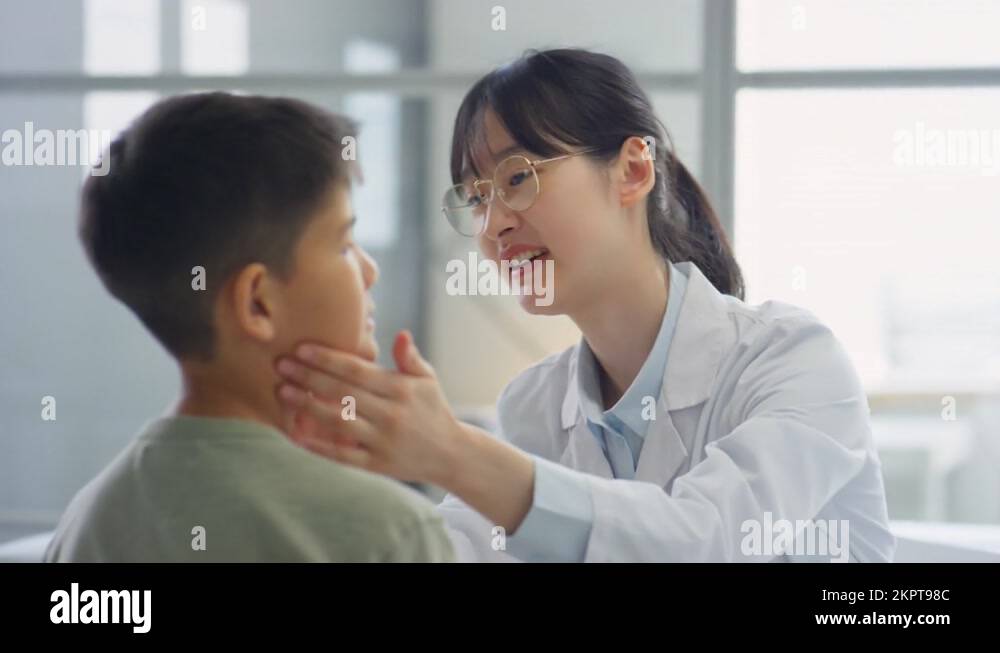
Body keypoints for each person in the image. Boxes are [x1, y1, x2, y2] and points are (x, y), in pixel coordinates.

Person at [274, 49, 896, 562]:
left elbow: (706, 542)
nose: (494, 226)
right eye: (475, 198)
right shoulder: (534, 406)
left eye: (517, 177)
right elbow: (452, 550)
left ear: (631, 170)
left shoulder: (791, 361)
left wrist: (455, 452)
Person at [45, 92, 453, 563]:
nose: (369, 270)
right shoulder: (394, 531)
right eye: (344, 244)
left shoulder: (88, 523)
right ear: (257, 302)